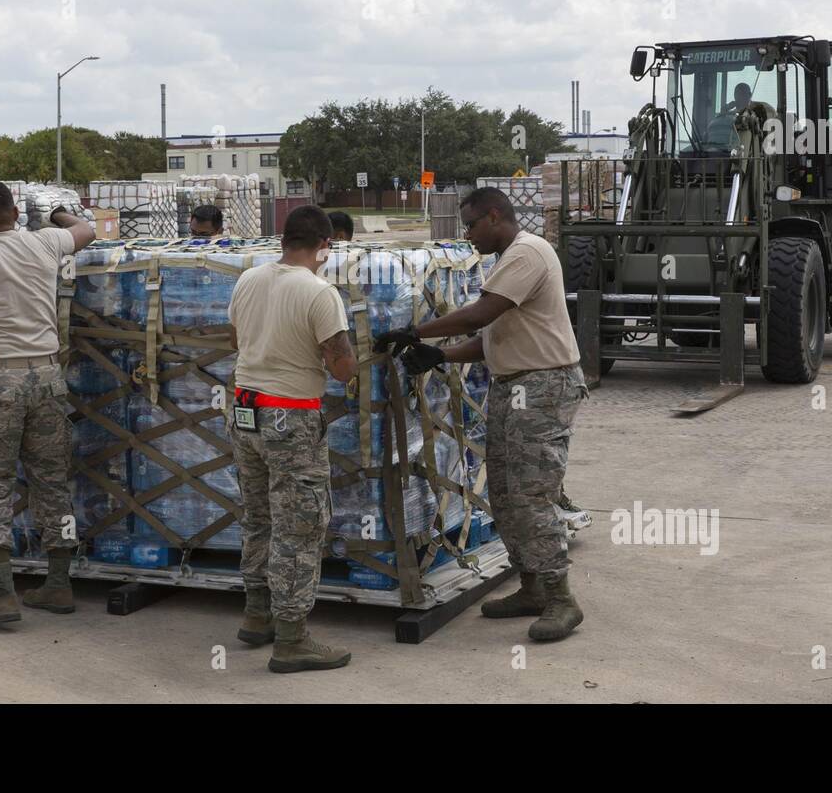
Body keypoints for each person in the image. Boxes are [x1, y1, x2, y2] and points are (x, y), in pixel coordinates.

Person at [374, 187, 587, 642]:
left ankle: (561, 598)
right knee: (506, 494)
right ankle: (530, 585)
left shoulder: (528, 252)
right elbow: (491, 339)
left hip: (543, 386)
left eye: (471, 225)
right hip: (513, 384)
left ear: (495, 216)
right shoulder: (507, 259)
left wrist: (416, 331)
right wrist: (438, 355)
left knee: (532, 495)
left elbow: (481, 314)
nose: (468, 235)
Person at [0, 181, 95, 625]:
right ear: (14, 213)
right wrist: (58, 216)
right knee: (51, 479)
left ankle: (2, 593)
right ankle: (59, 584)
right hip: (47, 376)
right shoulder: (46, 242)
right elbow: (87, 230)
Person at [228, 205, 357, 672]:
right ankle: (292, 638)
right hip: (291, 417)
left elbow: (235, 337)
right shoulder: (321, 293)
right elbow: (341, 366)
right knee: (299, 526)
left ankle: (257, 613)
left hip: (245, 411)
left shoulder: (248, 279)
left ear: (284, 241)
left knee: (258, 516)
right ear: (325, 246)